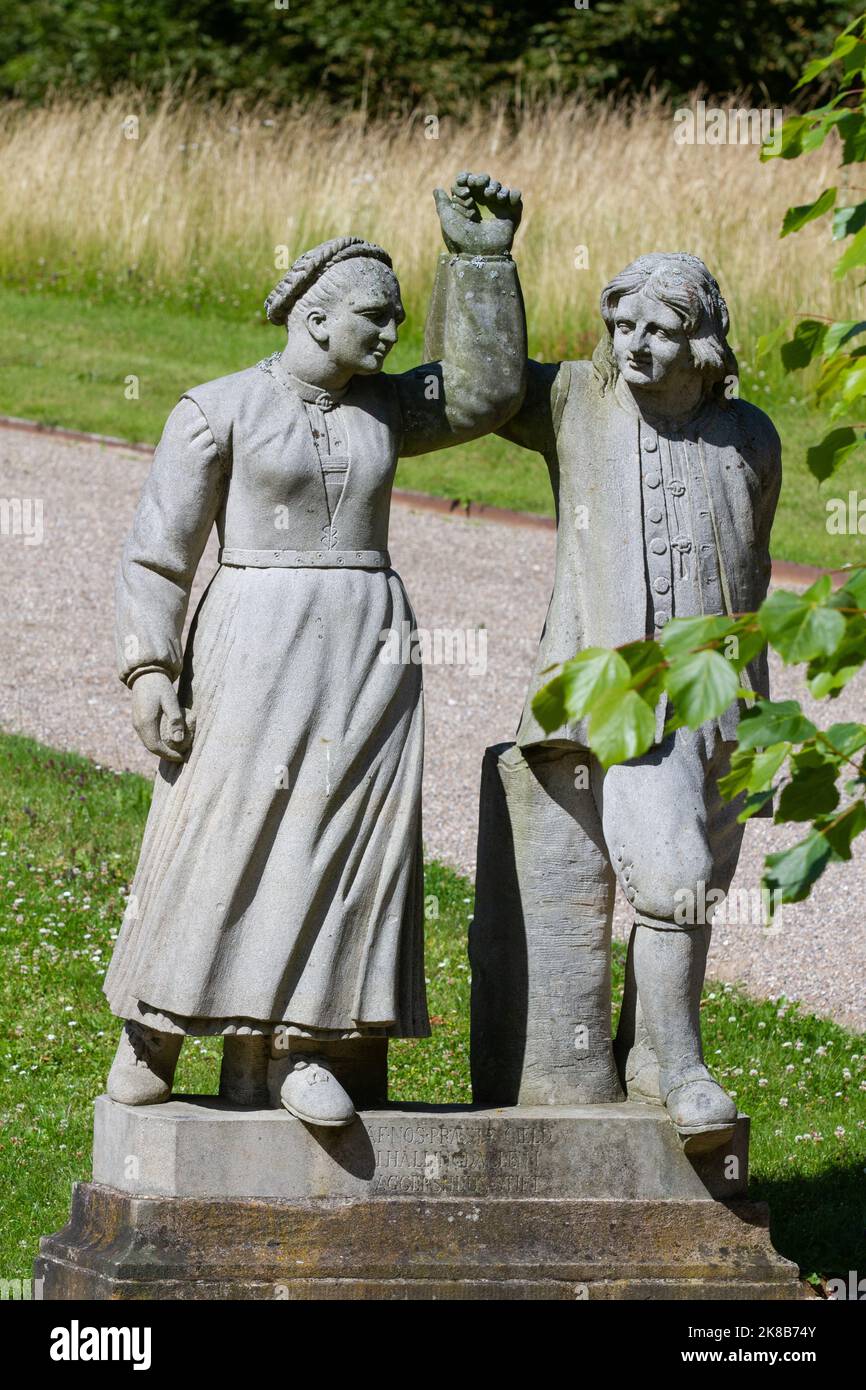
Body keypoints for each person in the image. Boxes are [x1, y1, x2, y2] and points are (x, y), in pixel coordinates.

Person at [104, 172, 526, 1128]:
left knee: (342, 843)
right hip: (255, 633)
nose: (389, 336)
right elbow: (157, 556)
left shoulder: (385, 409)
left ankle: (304, 1040)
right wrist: (148, 670)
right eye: (375, 318)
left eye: (396, 320)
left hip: (371, 645)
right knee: (222, 826)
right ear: (316, 313)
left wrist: (483, 258)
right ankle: (155, 1026)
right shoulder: (216, 408)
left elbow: (489, 392)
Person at [475, 250, 781, 1151]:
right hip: (625, 699)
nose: (634, 346)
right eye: (623, 327)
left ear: (704, 344)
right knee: (677, 877)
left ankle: (651, 1057)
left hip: (721, 701)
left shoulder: (752, 436)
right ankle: (683, 1071)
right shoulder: (576, 400)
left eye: (659, 331)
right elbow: (489, 385)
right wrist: (484, 259)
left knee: (698, 890)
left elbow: (753, 564)